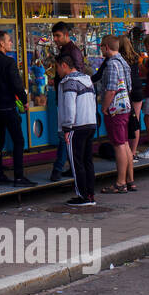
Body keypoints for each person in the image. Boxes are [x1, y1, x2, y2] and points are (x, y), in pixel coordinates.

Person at [0, 30, 32, 187]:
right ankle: (18, 176)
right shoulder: (9, 62)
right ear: (1, 43)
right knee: (18, 140)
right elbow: (17, 85)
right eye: (9, 41)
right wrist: (24, 101)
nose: (11, 43)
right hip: (9, 107)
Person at [56, 54, 97, 208]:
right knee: (87, 161)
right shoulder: (87, 79)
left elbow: (69, 106)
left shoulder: (69, 82)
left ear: (64, 65)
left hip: (76, 126)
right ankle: (90, 194)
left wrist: (67, 127)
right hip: (90, 123)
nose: (57, 71)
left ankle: (83, 196)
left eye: (57, 67)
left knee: (76, 162)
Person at [97, 34, 134, 194]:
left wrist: (105, 107)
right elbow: (129, 86)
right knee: (124, 143)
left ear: (106, 47)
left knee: (119, 145)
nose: (101, 50)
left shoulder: (112, 64)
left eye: (101, 47)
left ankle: (120, 183)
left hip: (115, 110)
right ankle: (130, 180)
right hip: (125, 107)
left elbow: (111, 89)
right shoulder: (123, 62)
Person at [48, 22, 84, 181]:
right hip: (64, 94)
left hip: (70, 96)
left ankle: (58, 168)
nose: (55, 39)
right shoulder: (66, 50)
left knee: (66, 133)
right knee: (66, 133)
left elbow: (77, 74)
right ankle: (72, 165)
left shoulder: (73, 51)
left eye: (58, 36)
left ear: (66, 35)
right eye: (54, 36)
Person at [120, 33, 145, 166]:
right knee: (135, 121)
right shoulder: (135, 57)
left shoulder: (120, 59)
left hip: (127, 90)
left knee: (126, 121)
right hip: (137, 89)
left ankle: (128, 151)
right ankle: (133, 151)